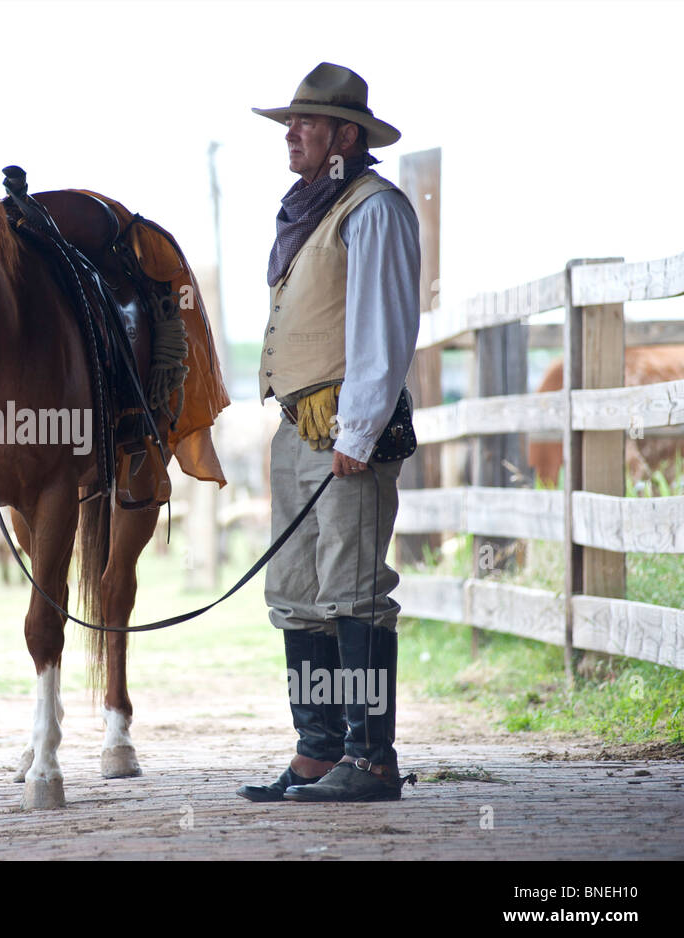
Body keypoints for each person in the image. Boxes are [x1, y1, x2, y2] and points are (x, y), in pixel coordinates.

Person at [237, 62, 421, 803]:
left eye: (307, 122)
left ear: (346, 135)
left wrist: (360, 430)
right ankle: (317, 751)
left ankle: (371, 760)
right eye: (291, 121)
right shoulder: (314, 206)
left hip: (349, 429)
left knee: (352, 590)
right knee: (298, 591)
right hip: (298, 429)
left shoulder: (374, 208)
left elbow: (383, 330)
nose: (292, 132)